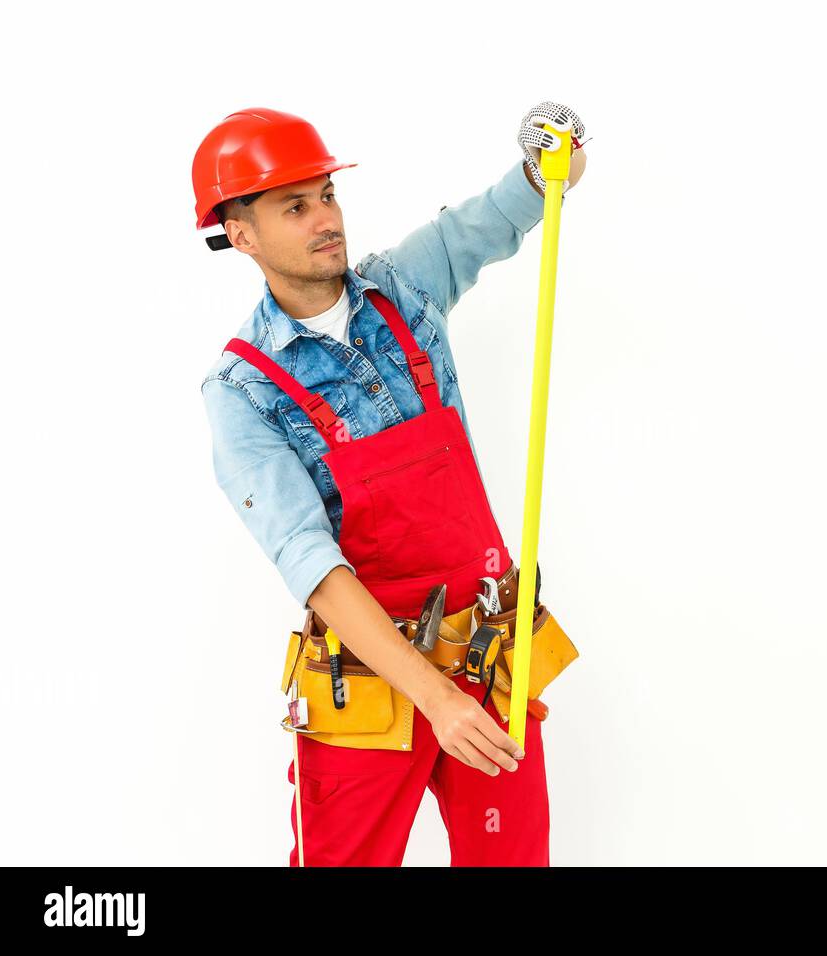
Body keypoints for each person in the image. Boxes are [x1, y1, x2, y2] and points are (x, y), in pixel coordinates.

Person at [195, 103, 587, 866]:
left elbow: (516, 202)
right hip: (363, 685)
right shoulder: (241, 392)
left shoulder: (405, 289)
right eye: (295, 205)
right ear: (241, 234)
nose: (325, 219)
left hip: (483, 654)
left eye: (328, 196)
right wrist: (431, 698)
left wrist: (555, 157)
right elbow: (313, 565)